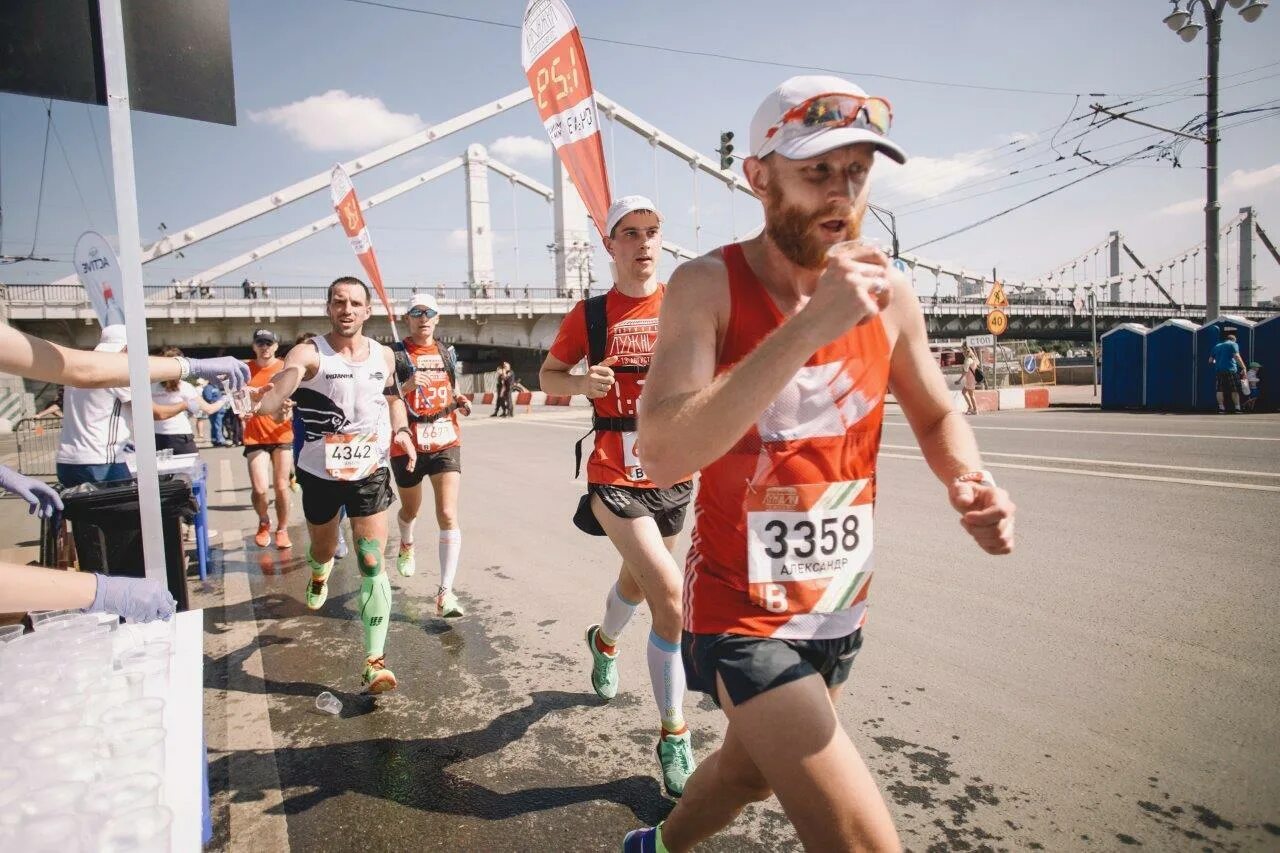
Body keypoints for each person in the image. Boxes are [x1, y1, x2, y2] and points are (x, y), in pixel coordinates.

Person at [623, 76, 1016, 852]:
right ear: (759, 175)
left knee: (747, 773)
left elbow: (938, 412)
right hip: (738, 608)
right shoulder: (708, 285)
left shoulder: (892, 293)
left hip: (838, 599)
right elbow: (663, 448)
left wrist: (969, 478)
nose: (841, 195)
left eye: (857, 173)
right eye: (816, 173)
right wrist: (808, 328)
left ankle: (657, 847)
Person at [539, 195, 698, 798]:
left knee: (637, 583)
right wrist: (581, 381)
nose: (643, 243)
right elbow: (548, 375)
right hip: (612, 472)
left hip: (671, 472)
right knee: (671, 599)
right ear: (610, 246)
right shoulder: (592, 314)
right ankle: (673, 734)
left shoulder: (684, 303)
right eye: (630, 234)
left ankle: (603, 640)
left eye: (653, 231)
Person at [256, 277, 416, 694]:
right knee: (324, 548)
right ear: (329, 307)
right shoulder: (310, 351)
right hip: (319, 472)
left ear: (367, 311)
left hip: (369, 469)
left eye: (355, 303)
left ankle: (374, 661)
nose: (347, 309)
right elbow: (289, 378)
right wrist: (273, 398)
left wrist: (400, 432)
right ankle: (319, 571)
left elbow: (394, 397)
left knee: (370, 558)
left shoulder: (383, 354)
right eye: (339, 302)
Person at [389, 294, 471, 617]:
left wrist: (460, 400)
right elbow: (383, 398)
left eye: (429, 313)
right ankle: (406, 540)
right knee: (411, 509)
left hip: (444, 439)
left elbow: (453, 389)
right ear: (407, 319)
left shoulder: (446, 353)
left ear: (437, 319)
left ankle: (445, 593)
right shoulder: (394, 355)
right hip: (407, 444)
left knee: (448, 513)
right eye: (416, 313)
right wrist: (406, 386)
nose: (423, 318)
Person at [242, 329, 296, 550]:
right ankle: (264, 521)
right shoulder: (245, 370)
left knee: (282, 486)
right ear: (254, 347)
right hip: (255, 436)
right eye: (260, 343)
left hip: (282, 434)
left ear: (276, 346)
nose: (264, 347)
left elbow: (291, 404)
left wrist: (285, 412)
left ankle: (282, 529)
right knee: (260, 488)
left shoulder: (285, 369)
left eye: (268, 343)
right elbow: (240, 402)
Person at [152, 347, 223, 457]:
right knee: (193, 472)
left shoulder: (150, 386)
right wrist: (225, 399)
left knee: (158, 473)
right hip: (180, 437)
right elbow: (209, 409)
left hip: (155, 438)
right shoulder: (185, 387)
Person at [1208, 331, 1248, 413]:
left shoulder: (1217, 346)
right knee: (1234, 389)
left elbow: (1210, 360)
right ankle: (1237, 408)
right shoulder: (1233, 344)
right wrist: (1243, 367)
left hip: (1219, 370)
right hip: (1231, 370)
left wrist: (1218, 361)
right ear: (1234, 340)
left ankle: (1221, 408)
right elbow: (1236, 356)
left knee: (1220, 389)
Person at [203, 379, 230, 447]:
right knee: (217, 425)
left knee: (216, 425)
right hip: (214, 409)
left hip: (219, 409)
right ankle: (219, 440)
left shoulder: (216, 387)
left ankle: (215, 439)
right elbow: (208, 398)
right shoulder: (208, 387)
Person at [957, 345, 979, 415]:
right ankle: (970, 408)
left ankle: (975, 410)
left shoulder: (967, 360)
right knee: (964, 392)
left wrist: (959, 380)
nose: (962, 353)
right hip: (972, 379)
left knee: (971, 395)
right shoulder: (973, 359)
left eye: (963, 351)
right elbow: (977, 364)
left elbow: (965, 371)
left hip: (970, 379)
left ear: (966, 352)